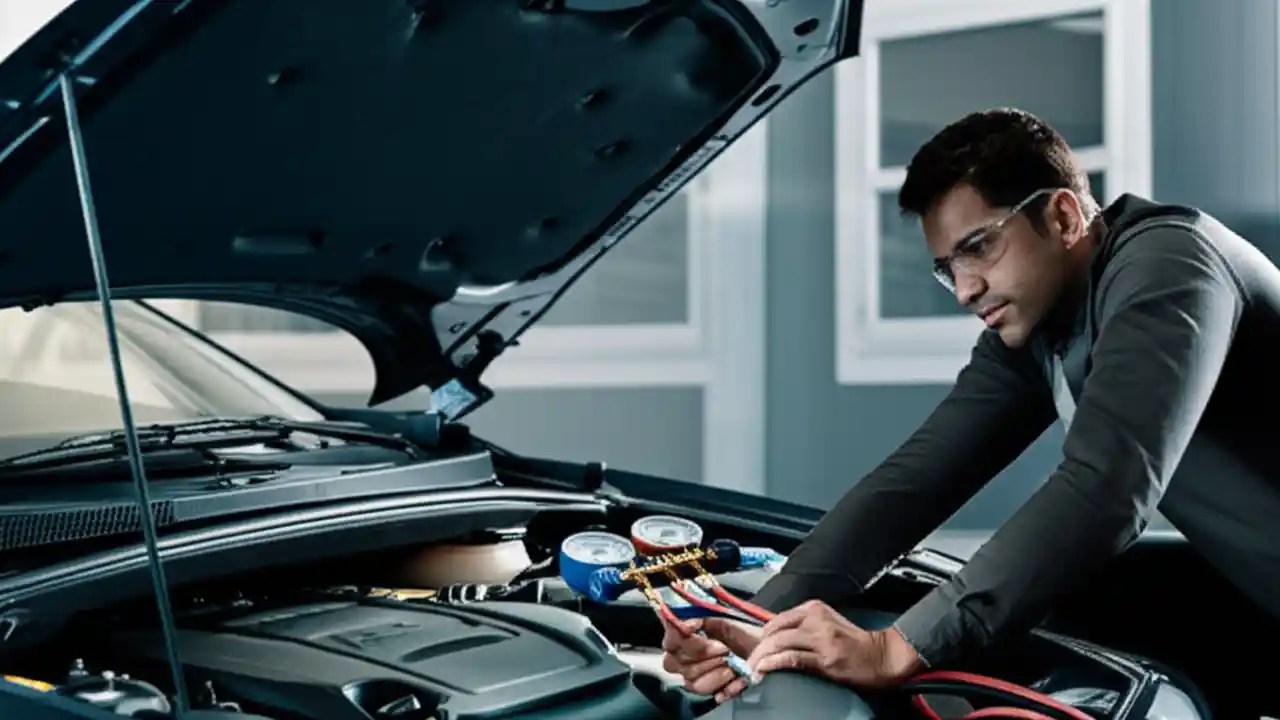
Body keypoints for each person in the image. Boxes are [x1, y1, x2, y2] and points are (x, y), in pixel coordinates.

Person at [661, 107, 1280, 704]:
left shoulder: (1170, 267)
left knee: (1080, 573)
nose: (964, 289)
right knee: (1077, 595)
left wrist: (897, 647)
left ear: (1063, 218)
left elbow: (1107, 489)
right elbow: (916, 480)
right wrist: (760, 619)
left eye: (978, 248)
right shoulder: (1040, 325)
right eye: (945, 269)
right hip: (1254, 583)